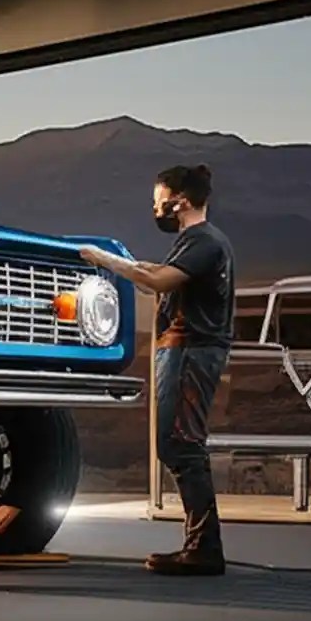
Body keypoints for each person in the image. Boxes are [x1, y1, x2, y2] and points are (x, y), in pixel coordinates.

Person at [80, 163, 235, 576]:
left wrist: (105, 260)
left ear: (178, 201)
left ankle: (204, 548)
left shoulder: (204, 242)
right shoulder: (197, 243)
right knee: (178, 444)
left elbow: (162, 281)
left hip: (190, 353)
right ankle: (201, 543)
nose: (155, 207)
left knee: (181, 444)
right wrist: (129, 265)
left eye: (157, 199)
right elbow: (154, 277)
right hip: (184, 352)